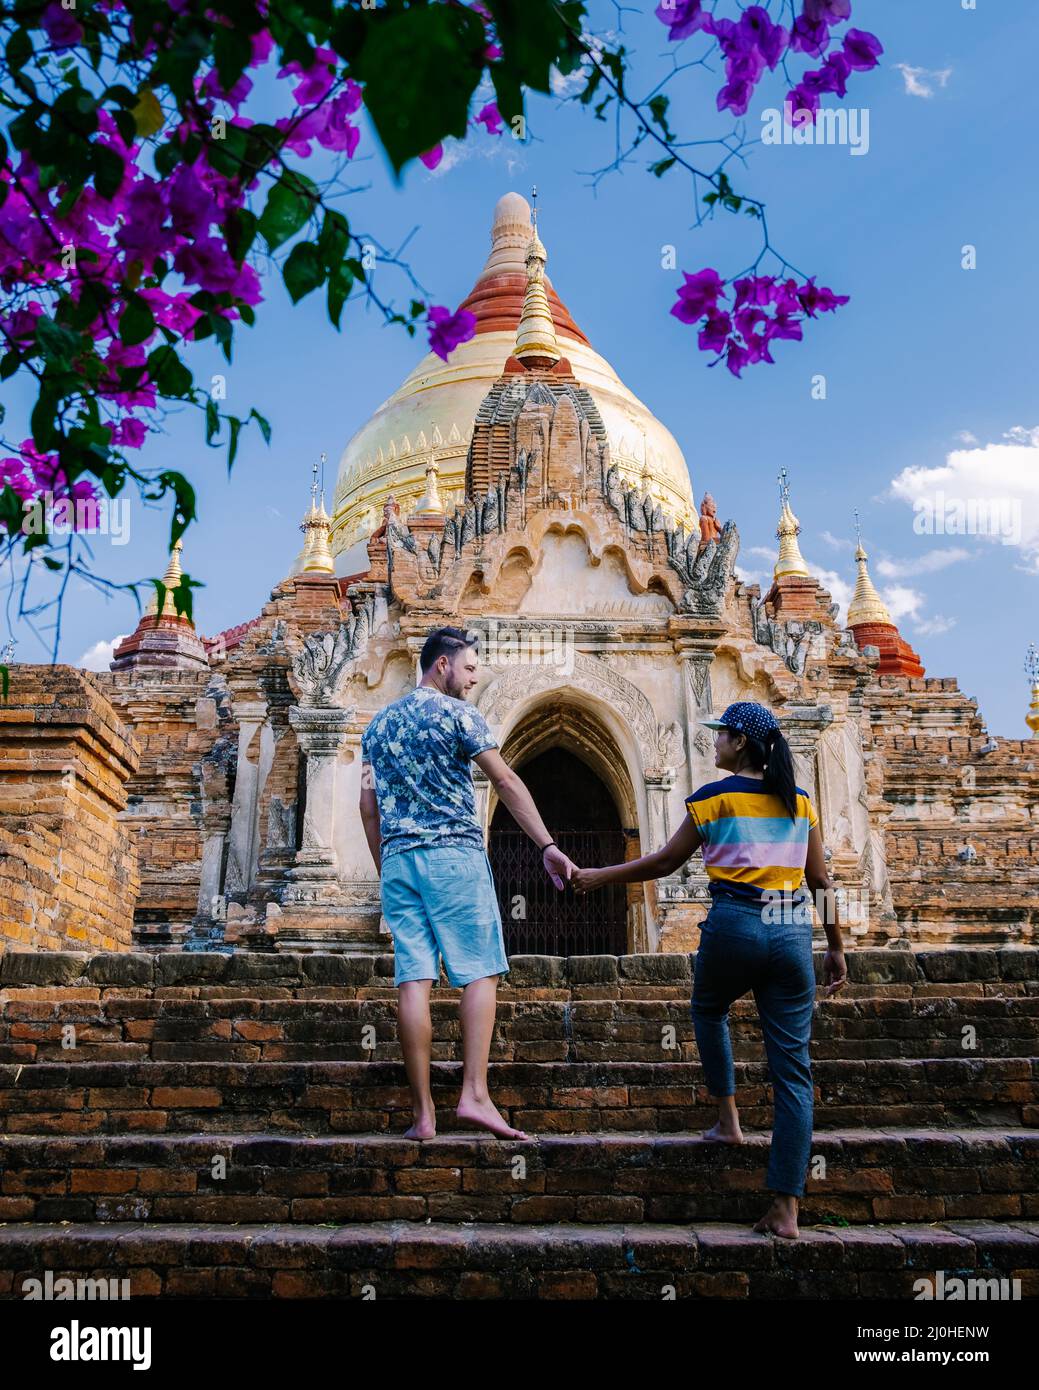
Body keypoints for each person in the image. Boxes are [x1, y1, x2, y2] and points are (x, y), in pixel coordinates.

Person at [573, 700, 847, 1239]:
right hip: (792, 933)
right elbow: (822, 882)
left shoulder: (712, 799)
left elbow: (661, 863)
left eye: (721, 735)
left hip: (735, 922)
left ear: (741, 741)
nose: (715, 743)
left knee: (708, 1009)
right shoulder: (800, 802)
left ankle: (728, 1119)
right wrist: (836, 945)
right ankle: (787, 1209)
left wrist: (598, 876)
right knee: (794, 1074)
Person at [359, 625, 576, 1142]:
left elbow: (367, 808)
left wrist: (385, 865)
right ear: (443, 665)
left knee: (413, 980)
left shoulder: (377, 726)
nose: (474, 678)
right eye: (471, 668)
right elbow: (504, 779)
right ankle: (474, 1094)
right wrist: (546, 843)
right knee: (479, 971)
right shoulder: (459, 716)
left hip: (399, 862)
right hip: (454, 855)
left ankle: (423, 1115)